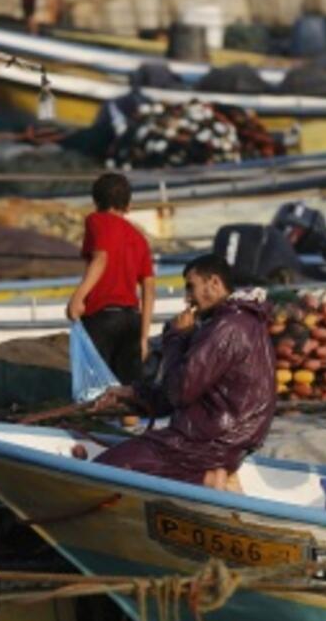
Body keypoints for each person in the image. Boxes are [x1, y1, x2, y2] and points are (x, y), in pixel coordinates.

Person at [92, 254, 276, 486]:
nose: (187, 299)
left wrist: (176, 338)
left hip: (208, 442)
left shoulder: (227, 327)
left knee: (103, 469)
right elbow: (172, 396)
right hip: (216, 436)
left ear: (215, 283)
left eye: (191, 287)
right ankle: (204, 478)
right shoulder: (233, 321)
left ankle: (205, 479)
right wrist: (128, 393)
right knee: (126, 455)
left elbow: (178, 392)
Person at [67, 173, 155, 386]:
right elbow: (149, 288)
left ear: (96, 202)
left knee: (94, 388)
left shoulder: (96, 220)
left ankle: (98, 420)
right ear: (128, 206)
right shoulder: (139, 238)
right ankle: (130, 420)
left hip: (102, 316)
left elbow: (101, 257)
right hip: (131, 319)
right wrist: (144, 337)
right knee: (129, 393)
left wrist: (78, 297)